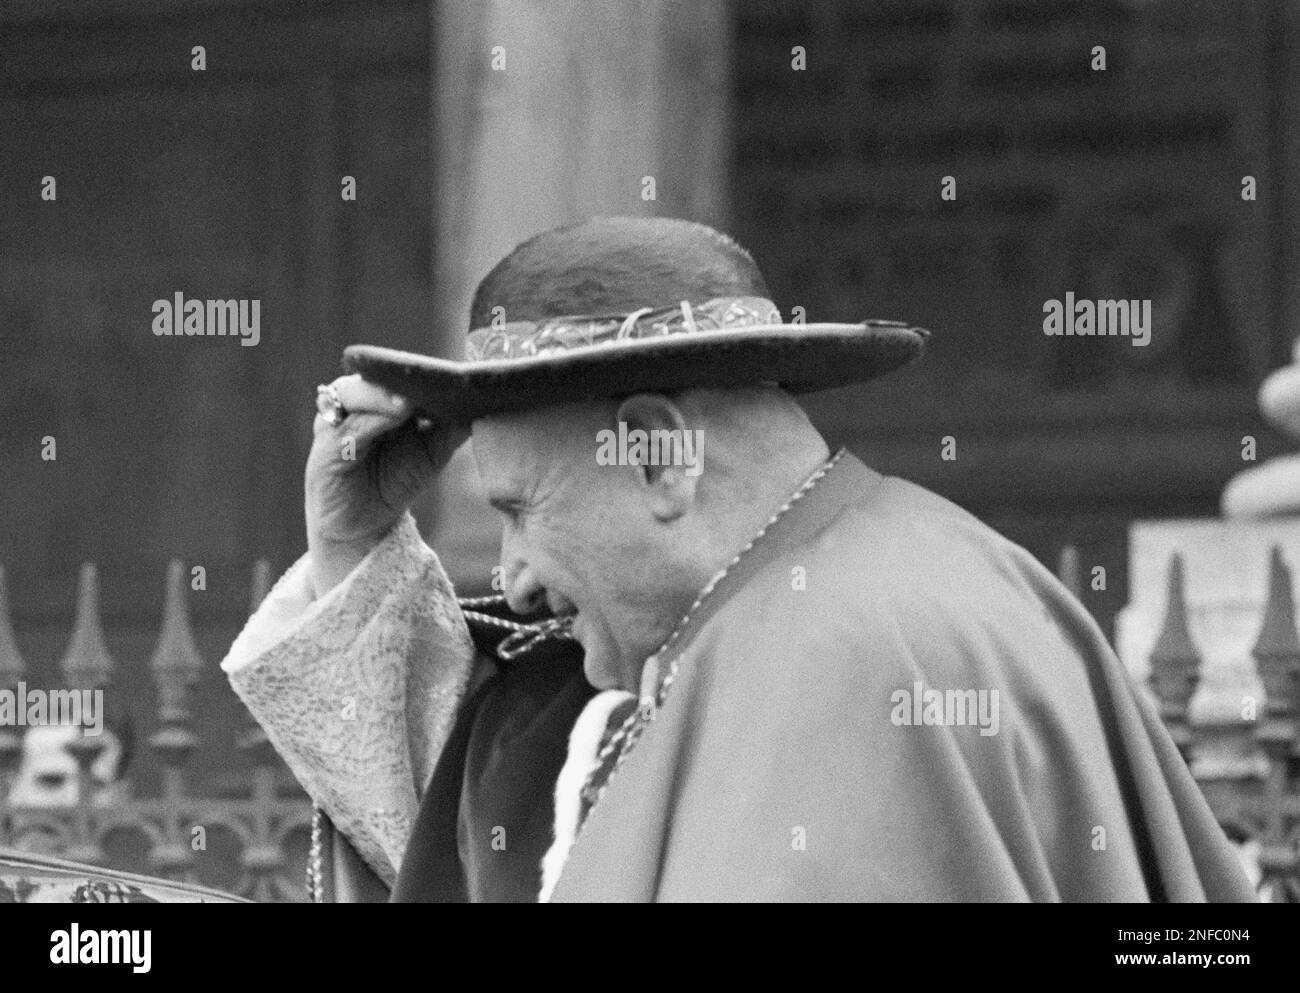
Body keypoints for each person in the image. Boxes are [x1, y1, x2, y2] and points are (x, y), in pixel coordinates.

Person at [222, 216, 1255, 902]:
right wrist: (355, 551)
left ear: (662, 455)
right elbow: (484, 838)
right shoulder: (898, 575)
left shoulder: (834, 663)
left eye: (520, 510)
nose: (516, 574)